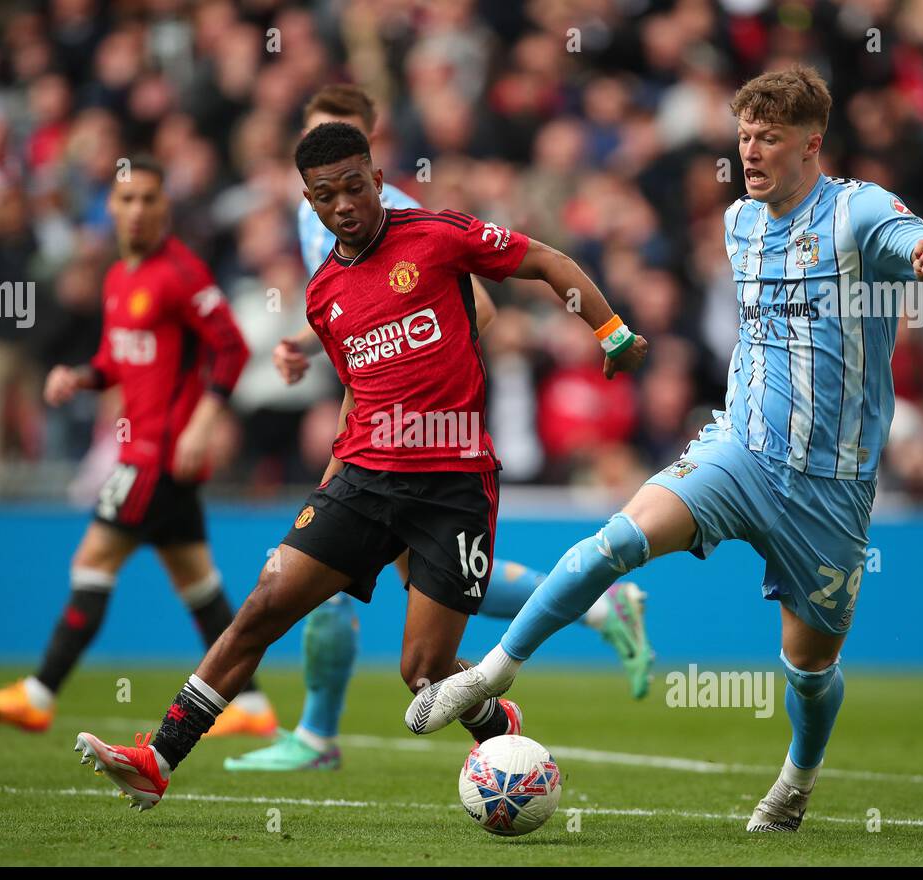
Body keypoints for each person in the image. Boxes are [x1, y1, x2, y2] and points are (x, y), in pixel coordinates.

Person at [403, 66, 923, 832]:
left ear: (812, 144)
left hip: (830, 488)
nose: (752, 152)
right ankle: (490, 675)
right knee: (616, 541)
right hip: (738, 453)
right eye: (744, 137)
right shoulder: (739, 224)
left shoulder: (858, 211)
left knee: (809, 668)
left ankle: (796, 783)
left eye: (769, 138)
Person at [72, 121, 648, 810]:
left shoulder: (436, 236)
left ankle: (496, 725)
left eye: (353, 186)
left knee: (425, 673)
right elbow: (357, 393)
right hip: (362, 478)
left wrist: (610, 332)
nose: (342, 204)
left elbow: (548, 260)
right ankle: (158, 758)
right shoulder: (321, 296)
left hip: (453, 486)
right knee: (262, 605)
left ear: (377, 180)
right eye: (325, 195)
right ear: (309, 204)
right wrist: (329, 487)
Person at [226, 84, 656, 774]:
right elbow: (355, 322)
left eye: (341, 141)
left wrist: (422, 375)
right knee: (423, 582)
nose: (333, 180)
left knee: (386, 582)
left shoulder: (402, 218)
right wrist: (331, 355)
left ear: (372, 150)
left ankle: (315, 733)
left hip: (429, 442)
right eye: (313, 141)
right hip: (379, 431)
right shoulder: (321, 221)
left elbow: (477, 307)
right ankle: (595, 616)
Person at [0, 157, 275, 735]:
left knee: (91, 560)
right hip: (149, 455)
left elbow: (230, 348)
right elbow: (114, 360)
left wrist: (204, 422)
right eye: (126, 200)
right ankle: (252, 705)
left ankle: (39, 692)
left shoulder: (181, 273)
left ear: (165, 207)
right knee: (197, 581)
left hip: (157, 455)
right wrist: (81, 376)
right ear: (110, 205)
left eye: (148, 200)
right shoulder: (117, 277)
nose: (136, 211)